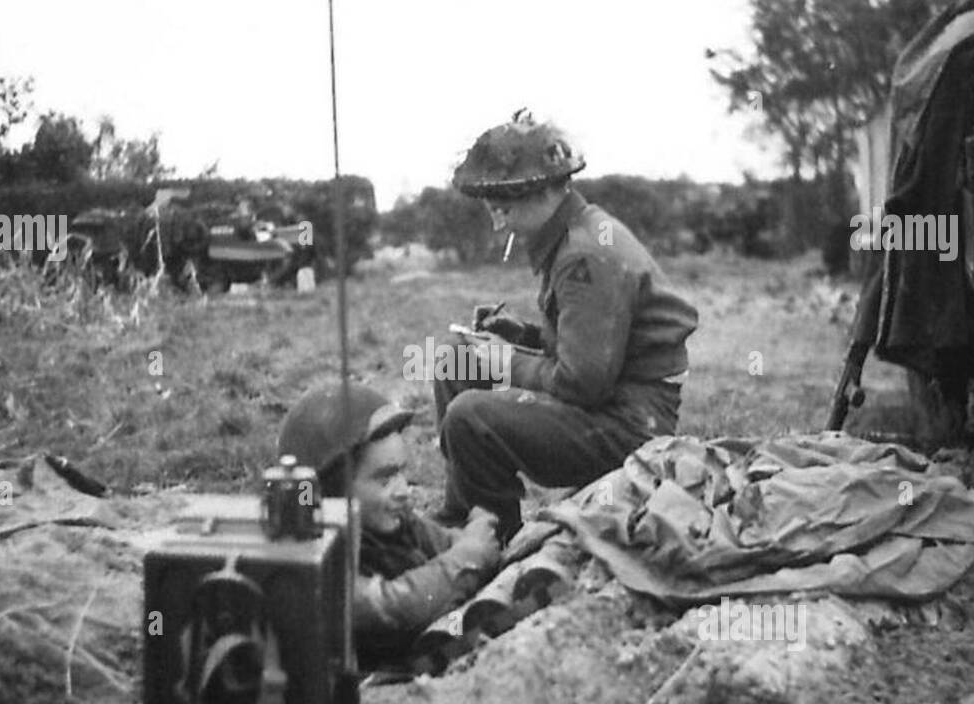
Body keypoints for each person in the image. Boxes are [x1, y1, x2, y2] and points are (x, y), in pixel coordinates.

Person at [434, 110, 699, 540]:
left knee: (470, 416)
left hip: (630, 427)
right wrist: (522, 338)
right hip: (611, 401)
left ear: (540, 193)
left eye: (503, 207)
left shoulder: (585, 253)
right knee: (457, 359)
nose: (498, 222)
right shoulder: (574, 235)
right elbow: (592, 343)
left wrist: (507, 363)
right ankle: (465, 513)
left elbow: (583, 383)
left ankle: (492, 538)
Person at [277, 381, 501, 669]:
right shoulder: (311, 560)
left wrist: (475, 537)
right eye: (384, 480)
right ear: (330, 492)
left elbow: (444, 542)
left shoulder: (391, 523)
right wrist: (471, 555)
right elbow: (396, 607)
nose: (404, 491)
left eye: (401, 474)